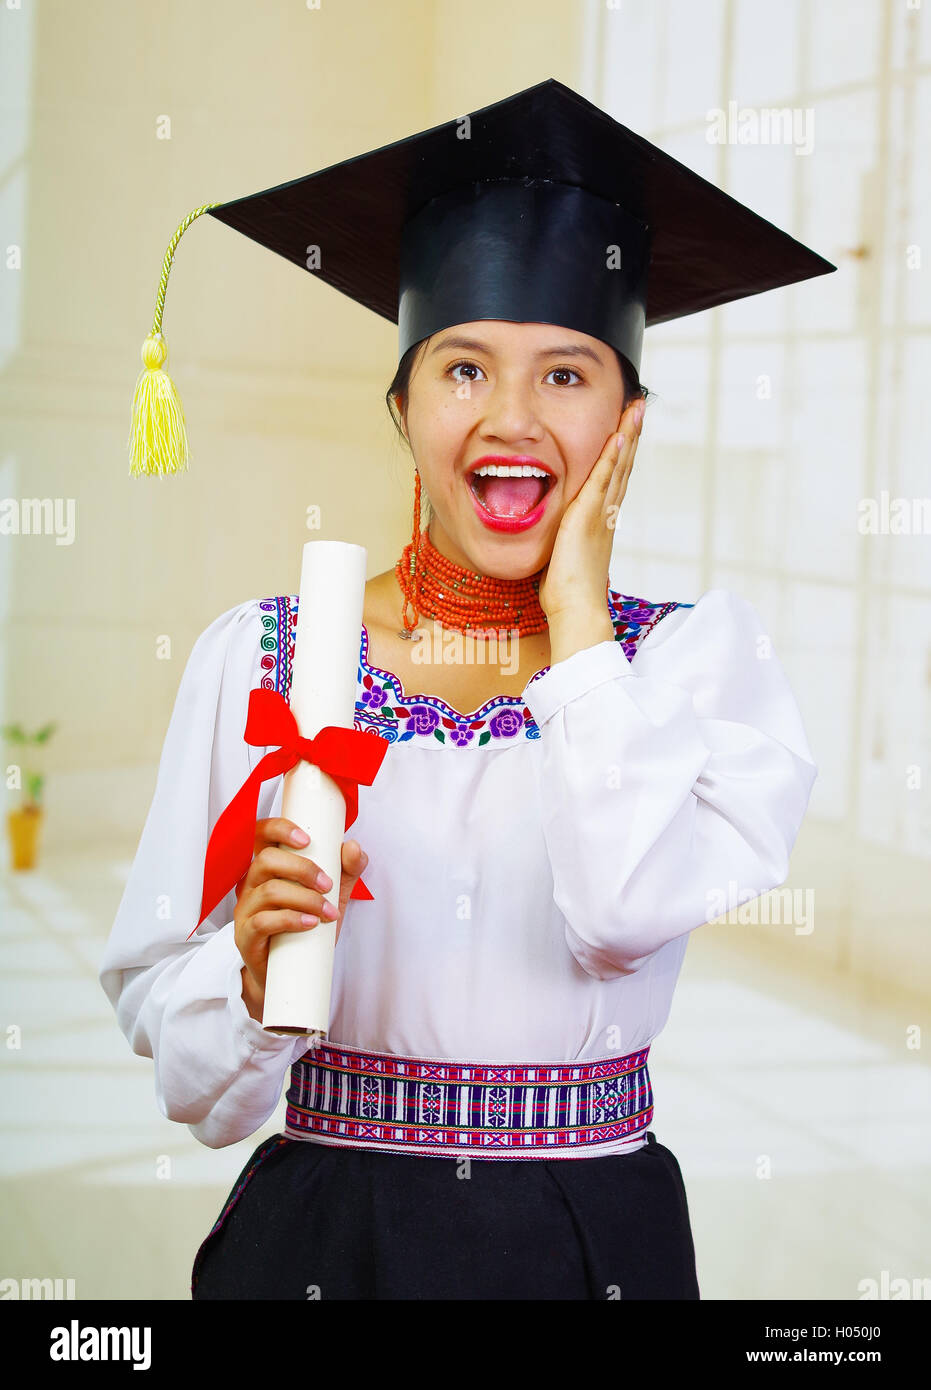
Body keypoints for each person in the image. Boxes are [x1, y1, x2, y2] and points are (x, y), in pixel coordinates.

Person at [100, 79, 832, 1301]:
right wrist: (245, 972)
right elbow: (181, 1066)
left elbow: (617, 914)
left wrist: (578, 623)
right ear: (400, 407)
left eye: (565, 375)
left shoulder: (693, 671)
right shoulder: (268, 659)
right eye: (461, 370)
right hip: (327, 1235)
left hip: (592, 1238)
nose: (510, 416)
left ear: (629, 420)